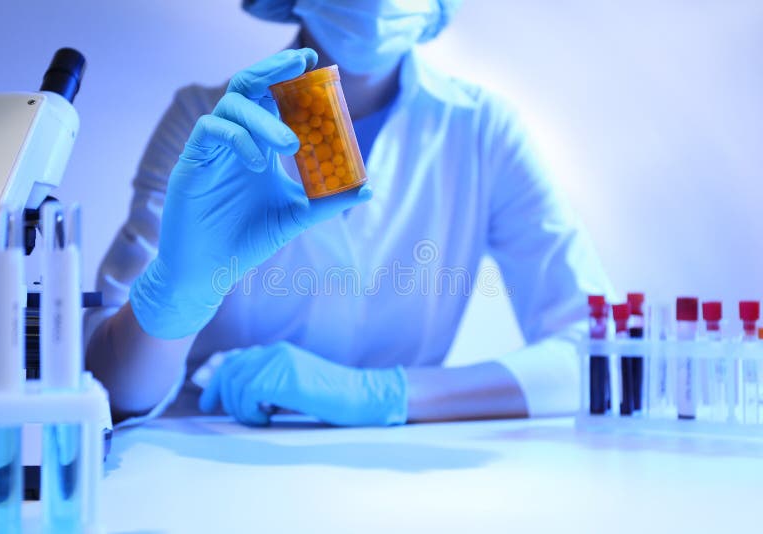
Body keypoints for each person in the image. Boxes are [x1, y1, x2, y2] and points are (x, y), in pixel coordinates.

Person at [85, 0, 612, 427]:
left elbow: (596, 355)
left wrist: (384, 395)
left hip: (397, 478)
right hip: (205, 465)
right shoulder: (206, 125)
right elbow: (103, 385)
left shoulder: (481, 130)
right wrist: (174, 296)